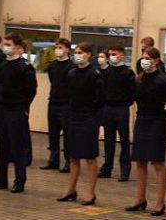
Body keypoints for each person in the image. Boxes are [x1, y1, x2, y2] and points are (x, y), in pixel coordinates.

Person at [0, 34, 38, 193]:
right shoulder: (3, 65)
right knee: (1, 146)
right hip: (3, 109)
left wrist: (23, 107)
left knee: (17, 147)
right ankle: (0, 179)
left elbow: (31, 90)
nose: (5, 46)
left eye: (8, 44)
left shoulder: (25, 67)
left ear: (18, 48)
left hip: (17, 110)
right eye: (4, 44)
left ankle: (19, 181)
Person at [125, 47, 166, 215]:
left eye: (148, 57)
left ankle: (160, 202)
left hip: (156, 121)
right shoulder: (140, 79)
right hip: (141, 120)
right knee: (140, 161)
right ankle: (140, 198)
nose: (144, 60)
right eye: (143, 57)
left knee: (158, 162)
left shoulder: (163, 80)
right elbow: (132, 98)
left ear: (156, 60)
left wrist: (164, 116)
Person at [57, 42, 104, 205]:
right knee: (73, 156)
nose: (77, 55)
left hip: (88, 117)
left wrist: (95, 118)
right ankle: (71, 189)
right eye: (76, 52)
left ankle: (91, 193)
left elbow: (99, 99)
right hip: (73, 116)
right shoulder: (71, 73)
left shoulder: (94, 75)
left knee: (90, 157)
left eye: (81, 52)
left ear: (89, 55)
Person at [99, 45, 135, 181]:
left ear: (122, 55)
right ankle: (107, 167)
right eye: (110, 54)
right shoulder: (107, 72)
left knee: (124, 140)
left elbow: (132, 92)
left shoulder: (128, 73)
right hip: (108, 107)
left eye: (114, 54)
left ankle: (125, 170)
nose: (112, 56)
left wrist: (125, 104)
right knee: (108, 139)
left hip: (121, 108)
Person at [42, 38, 74, 172]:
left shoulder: (71, 67)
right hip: (53, 102)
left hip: (66, 104)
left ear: (67, 49)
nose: (57, 50)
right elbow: (52, 81)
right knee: (53, 134)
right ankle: (53, 160)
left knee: (68, 135)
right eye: (56, 47)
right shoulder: (52, 66)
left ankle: (68, 161)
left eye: (60, 47)